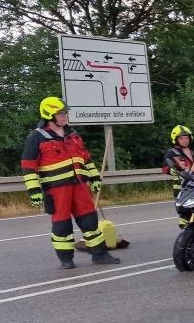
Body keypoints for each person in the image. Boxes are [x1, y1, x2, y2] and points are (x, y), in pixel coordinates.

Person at [21, 97, 120, 269]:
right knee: (62, 225)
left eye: (65, 112)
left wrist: (95, 178)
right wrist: (34, 190)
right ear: (49, 114)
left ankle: (100, 254)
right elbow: (29, 167)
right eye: (60, 113)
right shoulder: (36, 138)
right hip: (57, 190)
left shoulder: (73, 135)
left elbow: (86, 160)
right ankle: (66, 258)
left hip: (80, 186)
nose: (64, 116)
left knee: (90, 222)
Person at [163, 125, 194, 227]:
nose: (184, 140)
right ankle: (185, 226)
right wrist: (176, 167)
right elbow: (165, 168)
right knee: (185, 211)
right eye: (181, 138)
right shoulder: (171, 153)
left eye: (186, 138)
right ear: (175, 140)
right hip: (181, 185)